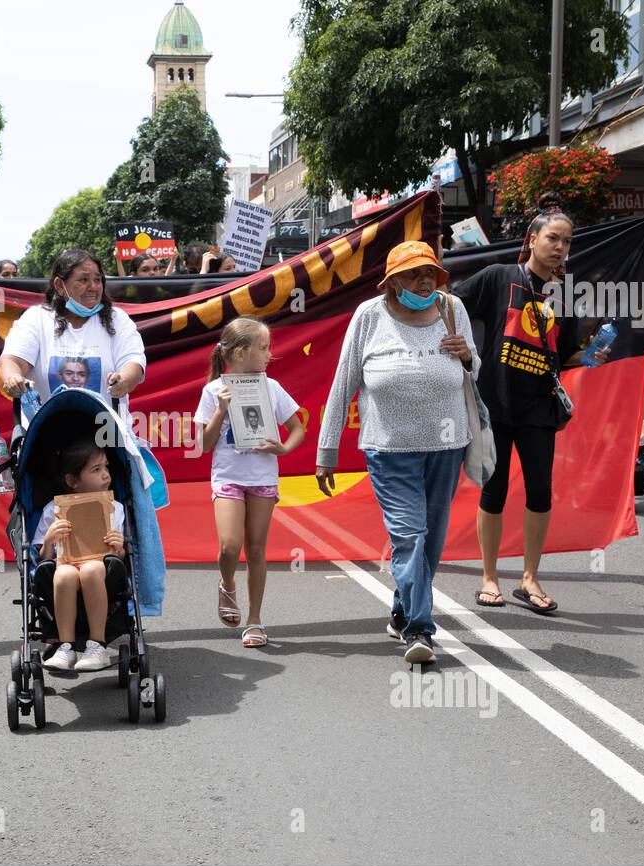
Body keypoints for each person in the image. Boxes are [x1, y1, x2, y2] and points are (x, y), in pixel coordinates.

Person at [317, 242, 477, 663]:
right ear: (391, 282)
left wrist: (468, 356)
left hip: (447, 446)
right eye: (413, 275)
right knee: (410, 536)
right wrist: (326, 449)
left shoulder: (452, 309)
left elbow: (473, 368)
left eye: (430, 274)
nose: (424, 281)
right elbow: (344, 381)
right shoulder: (369, 316)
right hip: (390, 451)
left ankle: (402, 610)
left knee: (431, 543)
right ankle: (420, 630)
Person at [453, 212, 608, 615]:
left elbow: (567, 353)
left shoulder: (565, 294)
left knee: (540, 491)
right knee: (495, 489)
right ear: (533, 238)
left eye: (567, 241)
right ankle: (489, 577)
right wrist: (463, 352)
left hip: (539, 407)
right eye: (553, 238)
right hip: (495, 402)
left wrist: (590, 356)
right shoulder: (499, 276)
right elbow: (453, 305)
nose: (560, 247)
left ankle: (529, 579)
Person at [195, 316, 305, 647]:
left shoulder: (271, 387)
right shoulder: (213, 390)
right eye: (263, 347)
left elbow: (297, 428)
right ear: (240, 352)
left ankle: (255, 621)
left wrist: (283, 447)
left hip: (262, 478)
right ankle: (227, 583)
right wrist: (221, 410)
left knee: (256, 549)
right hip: (228, 477)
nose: (270, 354)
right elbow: (203, 444)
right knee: (229, 546)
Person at [0, 249, 147, 408]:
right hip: (45, 431)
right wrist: (13, 378)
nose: (93, 287)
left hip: (107, 431)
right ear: (59, 286)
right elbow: (12, 361)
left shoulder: (117, 319)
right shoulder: (36, 318)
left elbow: (133, 362)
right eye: (83, 280)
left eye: (98, 280)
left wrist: (124, 381)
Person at [32, 439, 127, 672]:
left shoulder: (115, 508)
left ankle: (97, 646)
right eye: (96, 470)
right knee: (63, 573)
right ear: (72, 481)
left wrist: (120, 547)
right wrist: (48, 540)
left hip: (102, 568)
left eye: (106, 467)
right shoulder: (52, 510)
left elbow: (120, 557)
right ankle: (66, 646)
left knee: (91, 569)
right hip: (65, 566)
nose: (106, 475)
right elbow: (42, 558)